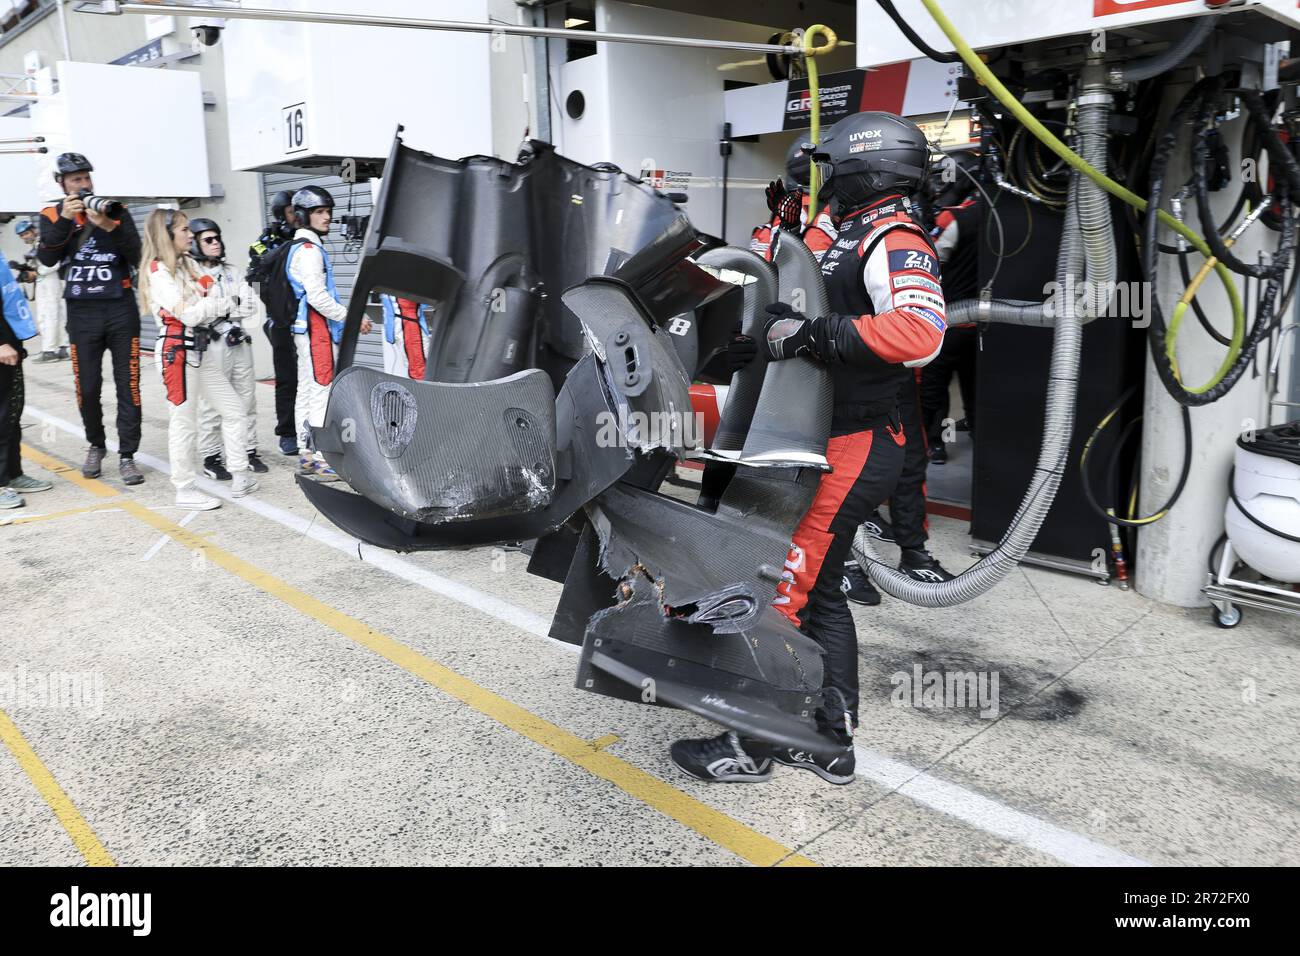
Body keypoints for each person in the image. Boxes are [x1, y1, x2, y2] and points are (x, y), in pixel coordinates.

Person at [671, 111, 944, 785]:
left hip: (858, 443)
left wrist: (814, 335)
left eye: (830, 169)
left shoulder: (893, 237)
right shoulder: (839, 233)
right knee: (820, 592)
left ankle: (753, 744)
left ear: (861, 167)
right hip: (825, 437)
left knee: (782, 585)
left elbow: (920, 333)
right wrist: (752, 343)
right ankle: (829, 741)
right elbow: (784, 310)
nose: (819, 181)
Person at [138, 209, 258, 510]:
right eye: (183, 230)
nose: (190, 234)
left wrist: (211, 303)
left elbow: (215, 297)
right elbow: (191, 312)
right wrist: (219, 304)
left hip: (198, 349)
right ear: (167, 235)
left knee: (234, 410)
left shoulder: (187, 263)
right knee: (184, 423)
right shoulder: (158, 271)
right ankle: (185, 487)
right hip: (176, 353)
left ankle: (240, 473)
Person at [36, 152, 144, 485]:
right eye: (76, 180)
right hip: (82, 313)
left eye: (86, 178)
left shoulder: (116, 210)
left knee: (129, 385)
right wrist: (67, 221)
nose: (83, 185)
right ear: (62, 184)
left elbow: (138, 254)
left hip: (120, 308)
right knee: (88, 386)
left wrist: (108, 225)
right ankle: (96, 445)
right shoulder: (51, 214)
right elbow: (47, 257)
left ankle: (128, 455)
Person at [284, 185, 371, 479]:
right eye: (319, 212)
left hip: (307, 331)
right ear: (302, 216)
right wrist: (351, 318)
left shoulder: (300, 248)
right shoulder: (309, 252)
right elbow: (317, 298)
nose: (327, 217)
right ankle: (320, 456)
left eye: (328, 211)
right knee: (321, 392)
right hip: (316, 331)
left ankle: (307, 453)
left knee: (307, 392)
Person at [187, 218, 267, 481]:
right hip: (212, 344)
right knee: (212, 403)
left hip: (238, 339)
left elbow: (250, 306)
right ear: (196, 243)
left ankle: (248, 449)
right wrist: (229, 305)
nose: (216, 243)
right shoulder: (191, 274)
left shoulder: (233, 271)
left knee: (247, 397)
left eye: (217, 238)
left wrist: (221, 306)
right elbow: (198, 313)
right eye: (208, 240)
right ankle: (211, 457)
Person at [249, 190, 301, 456]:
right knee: (287, 380)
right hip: (280, 322)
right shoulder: (265, 242)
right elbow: (253, 275)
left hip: (307, 321)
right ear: (281, 214)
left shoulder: (306, 237)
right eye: (292, 211)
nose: (297, 215)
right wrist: (273, 301)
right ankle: (287, 433)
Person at [0, 257, 53, 509]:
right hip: (2, 345)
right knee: (1, 416)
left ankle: (12, 473)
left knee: (11, 413)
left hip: (11, 342)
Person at [15, 217, 68, 363]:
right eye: (22, 236)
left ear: (33, 230)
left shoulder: (44, 243)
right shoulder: (34, 247)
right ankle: (63, 347)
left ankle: (49, 351)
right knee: (53, 314)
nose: (25, 237)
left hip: (51, 281)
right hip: (43, 282)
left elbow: (53, 263)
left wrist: (36, 273)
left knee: (49, 314)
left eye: (26, 233)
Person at [380, 294, 430, 379]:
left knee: (413, 367)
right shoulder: (402, 285)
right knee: (418, 370)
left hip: (400, 326)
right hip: (409, 328)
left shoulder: (386, 285)